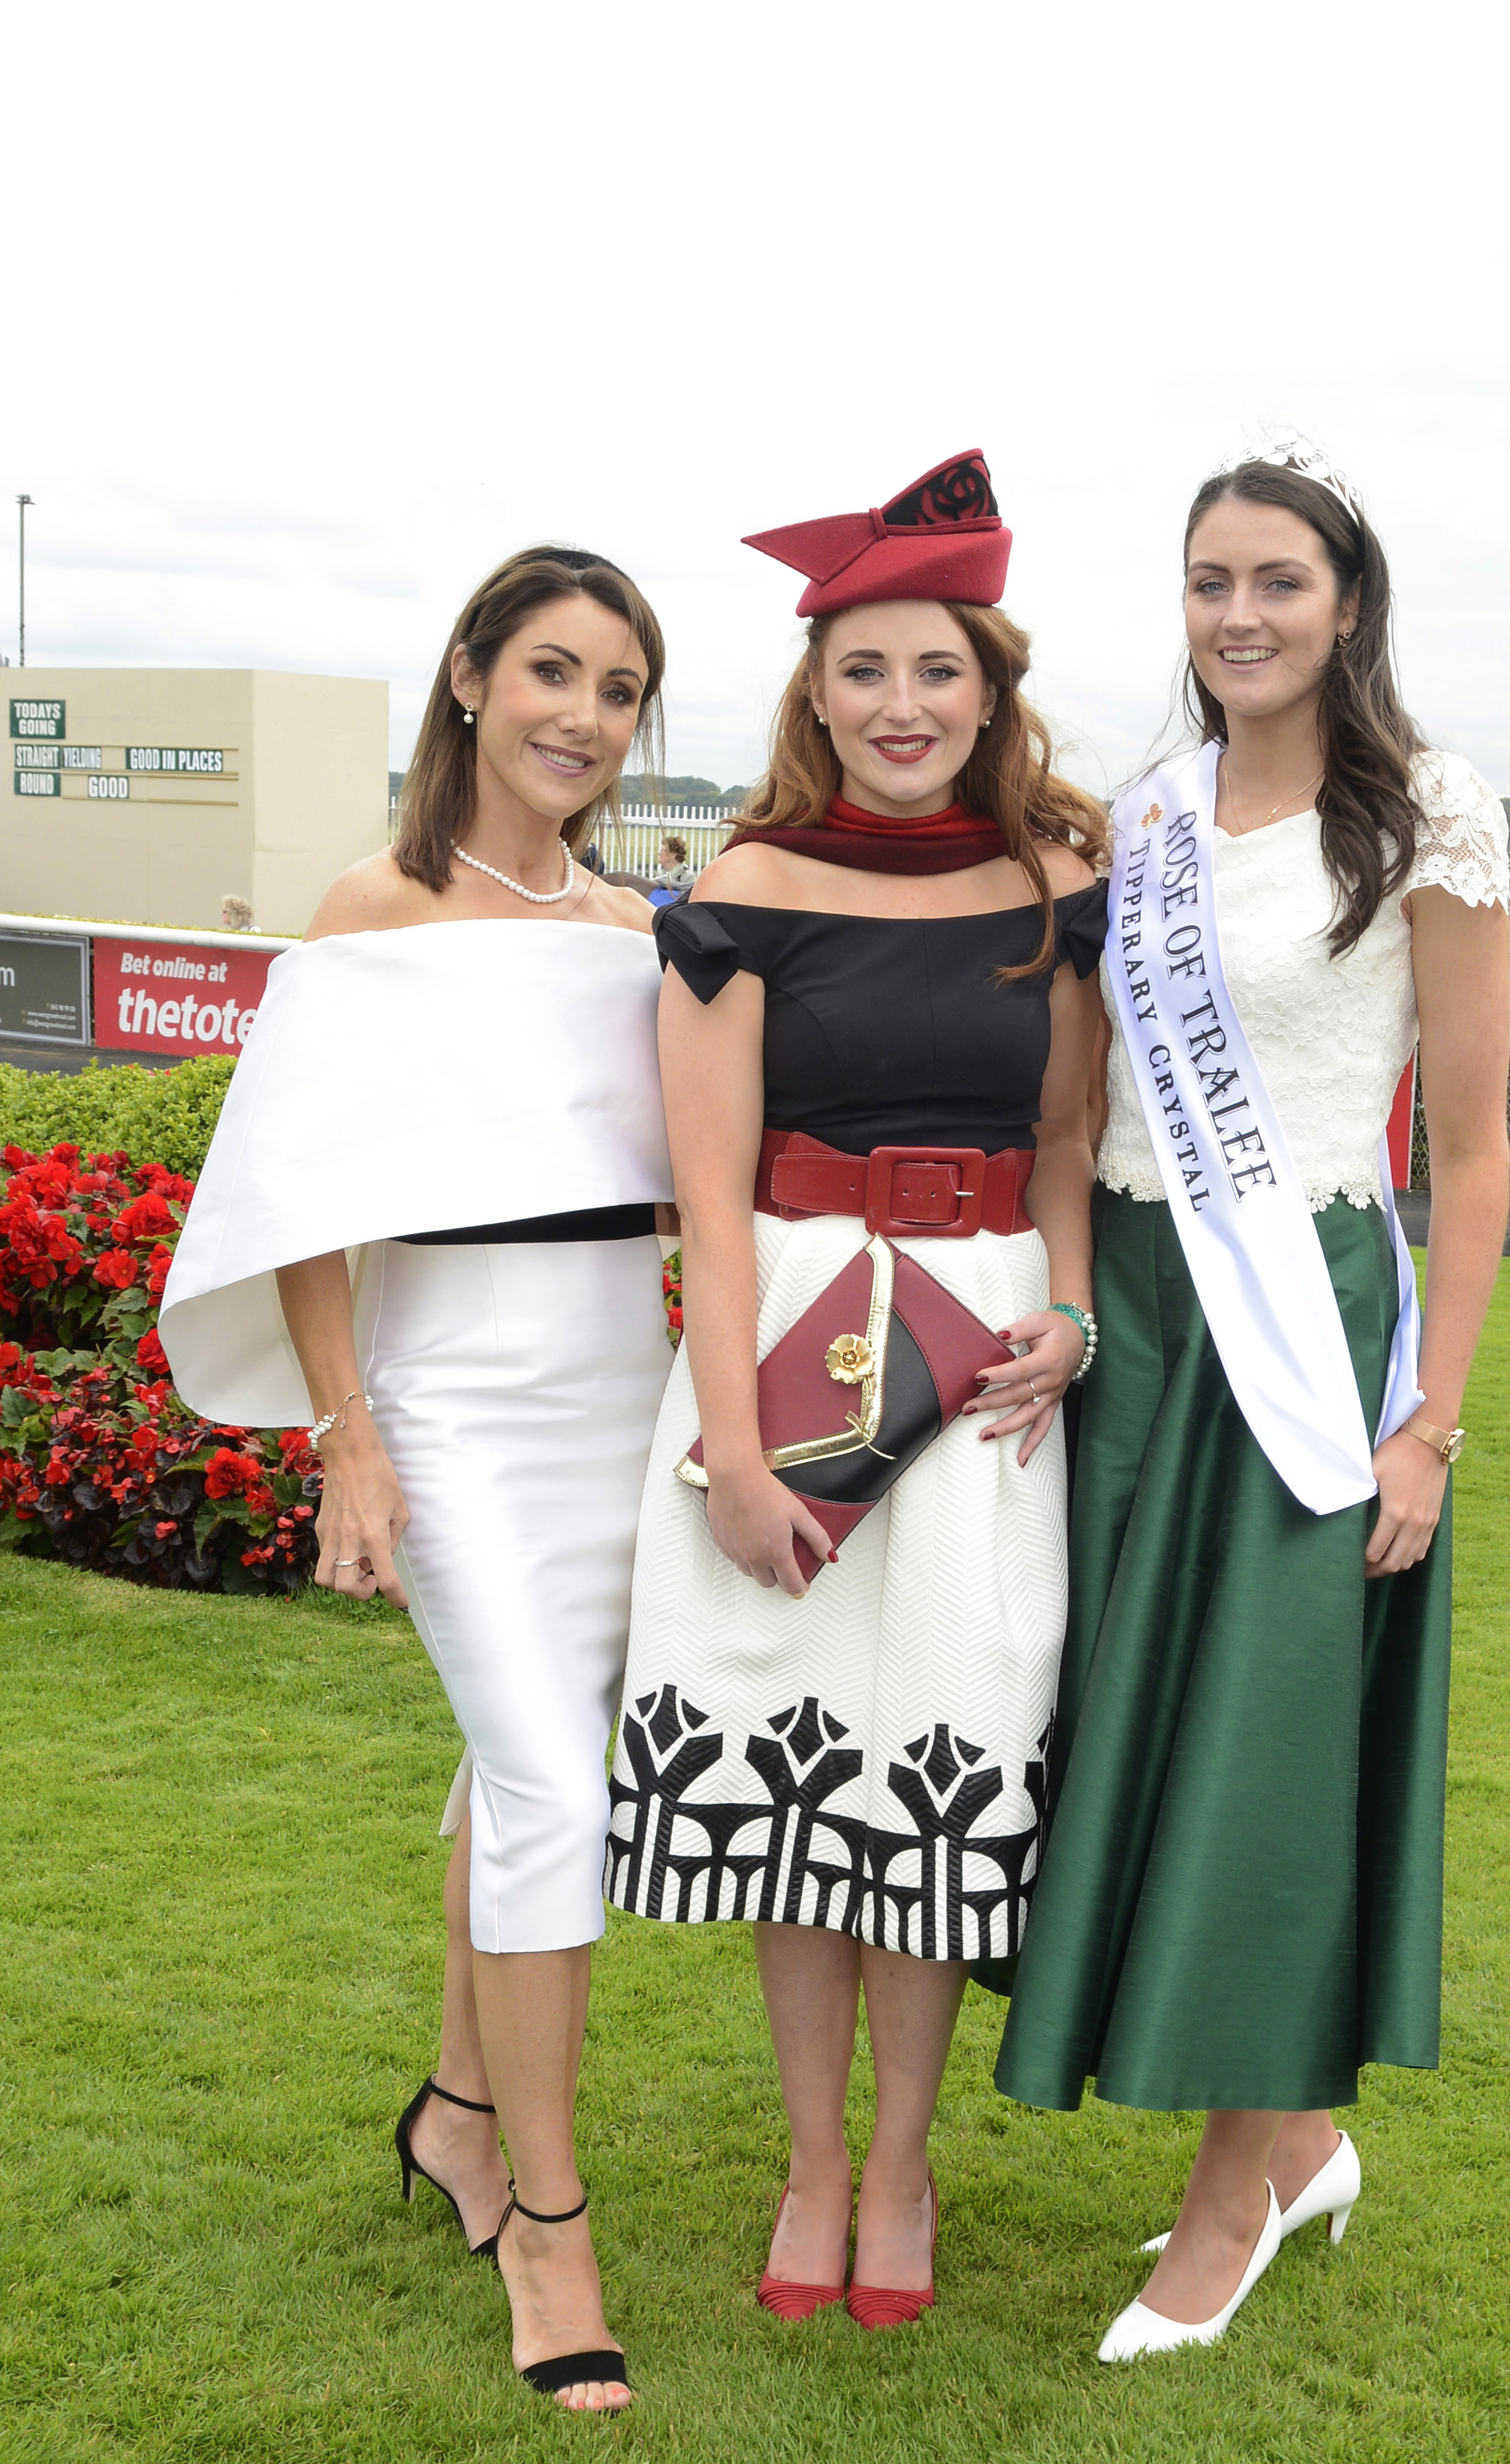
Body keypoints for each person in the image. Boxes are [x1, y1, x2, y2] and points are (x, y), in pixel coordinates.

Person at [993, 439, 1510, 2362]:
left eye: (1278, 578)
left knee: (1264, 1736)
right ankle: (1296, 2142)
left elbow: (1475, 1151)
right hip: (1138, 1309)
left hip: (1304, 1316)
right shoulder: (1145, 815)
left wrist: (1427, 1420)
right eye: (1210, 580)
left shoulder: (1431, 811)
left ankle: (1233, 2202)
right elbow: (1082, 1102)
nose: (1240, 613)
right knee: (1121, 1706)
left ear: (1347, 601)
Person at [160, 544, 674, 2416]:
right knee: (552, 1787)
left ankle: (458, 2114)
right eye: (551, 670)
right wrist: (345, 1437)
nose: (582, 717)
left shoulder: (637, 930)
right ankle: (549, 2225)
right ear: (469, 676)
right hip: (449, 1395)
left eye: (618, 689)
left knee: (523, 1765)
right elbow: (301, 1197)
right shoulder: (367, 912)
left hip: (625, 1388)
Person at [605, 451, 1109, 2327]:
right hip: (792, 1341)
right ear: (815, 693)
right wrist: (736, 1454)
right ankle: (814, 2160)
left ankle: (904, 2167)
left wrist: (1072, 1313)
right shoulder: (743, 890)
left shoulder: (1054, 883)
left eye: (938, 670)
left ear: (990, 689)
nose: (904, 705)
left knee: (939, 1759)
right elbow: (711, 1193)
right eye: (866, 671)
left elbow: (1068, 1140)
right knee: (793, 1766)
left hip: (984, 1367)